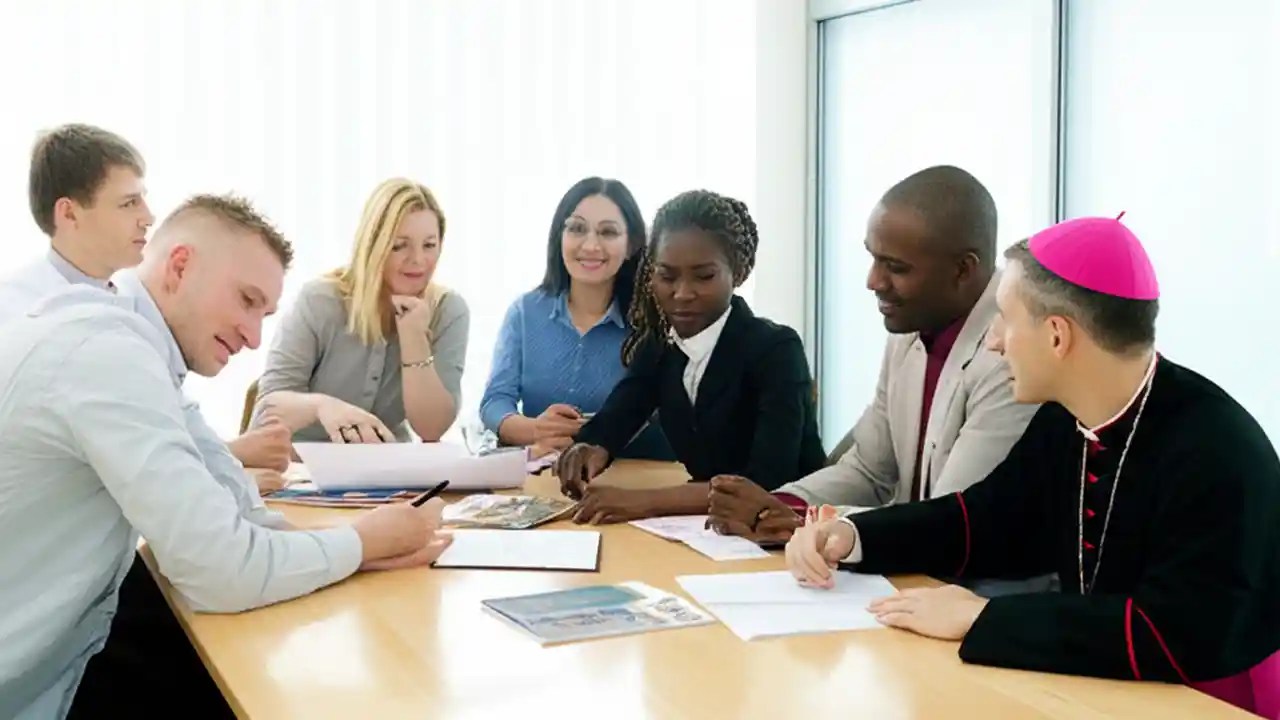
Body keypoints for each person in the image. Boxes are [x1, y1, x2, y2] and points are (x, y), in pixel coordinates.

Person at [784, 216, 1280, 718]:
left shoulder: (1217, 451)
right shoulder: (1065, 418)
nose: (995, 342)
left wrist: (986, 619)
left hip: (1205, 699)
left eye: (1004, 318)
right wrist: (851, 536)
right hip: (1098, 687)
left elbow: (1174, 633)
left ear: (1057, 336)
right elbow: (988, 519)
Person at [0, 193, 453, 720]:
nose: (255, 337)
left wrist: (369, 544)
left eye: (265, 313)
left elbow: (236, 501)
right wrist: (362, 540)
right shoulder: (104, 354)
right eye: (246, 300)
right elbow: (221, 571)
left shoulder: (136, 347)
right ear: (180, 265)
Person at [707, 166, 1037, 554]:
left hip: (972, 587)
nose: (873, 280)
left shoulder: (1012, 352)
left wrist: (809, 524)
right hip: (905, 571)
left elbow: (951, 515)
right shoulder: (913, 324)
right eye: (874, 258)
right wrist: (782, 507)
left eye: (895, 267)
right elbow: (870, 469)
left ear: (964, 269)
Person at [0, 122, 292, 478]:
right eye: (128, 202)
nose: (147, 217)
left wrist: (224, 469)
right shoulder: (34, 318)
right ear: (69, 213)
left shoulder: (125, 319)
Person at [555, 189, 825, 523]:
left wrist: (646, 501)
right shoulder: (660, 348)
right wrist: (591, 448)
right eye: (666, 276)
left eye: (704, 276)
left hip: (789, 531)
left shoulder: (776, 350)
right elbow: (618, 416)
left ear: (738, 273)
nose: (682, 294)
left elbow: (766, 481)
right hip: (709, 534)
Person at [252, 177, 470, 443]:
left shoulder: (448, 310)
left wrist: (415, 339)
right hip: (301, 464)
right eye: (399, 245)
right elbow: (268, 409)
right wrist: (323, 407)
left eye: (429, 245)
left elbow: (431, 429)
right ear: (373, 244)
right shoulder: (320, 301)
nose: (418, 260)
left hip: (385, 469)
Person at [479, 176, 673, 460]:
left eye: (608, 232)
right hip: (539, 473)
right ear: (560, 236)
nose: (591, 245)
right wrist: (535, 429)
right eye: (577, 229)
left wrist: (596, 434)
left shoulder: (653, 325)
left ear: (631, 244)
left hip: (625, 476)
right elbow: (494, 403)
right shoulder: (525, 312)